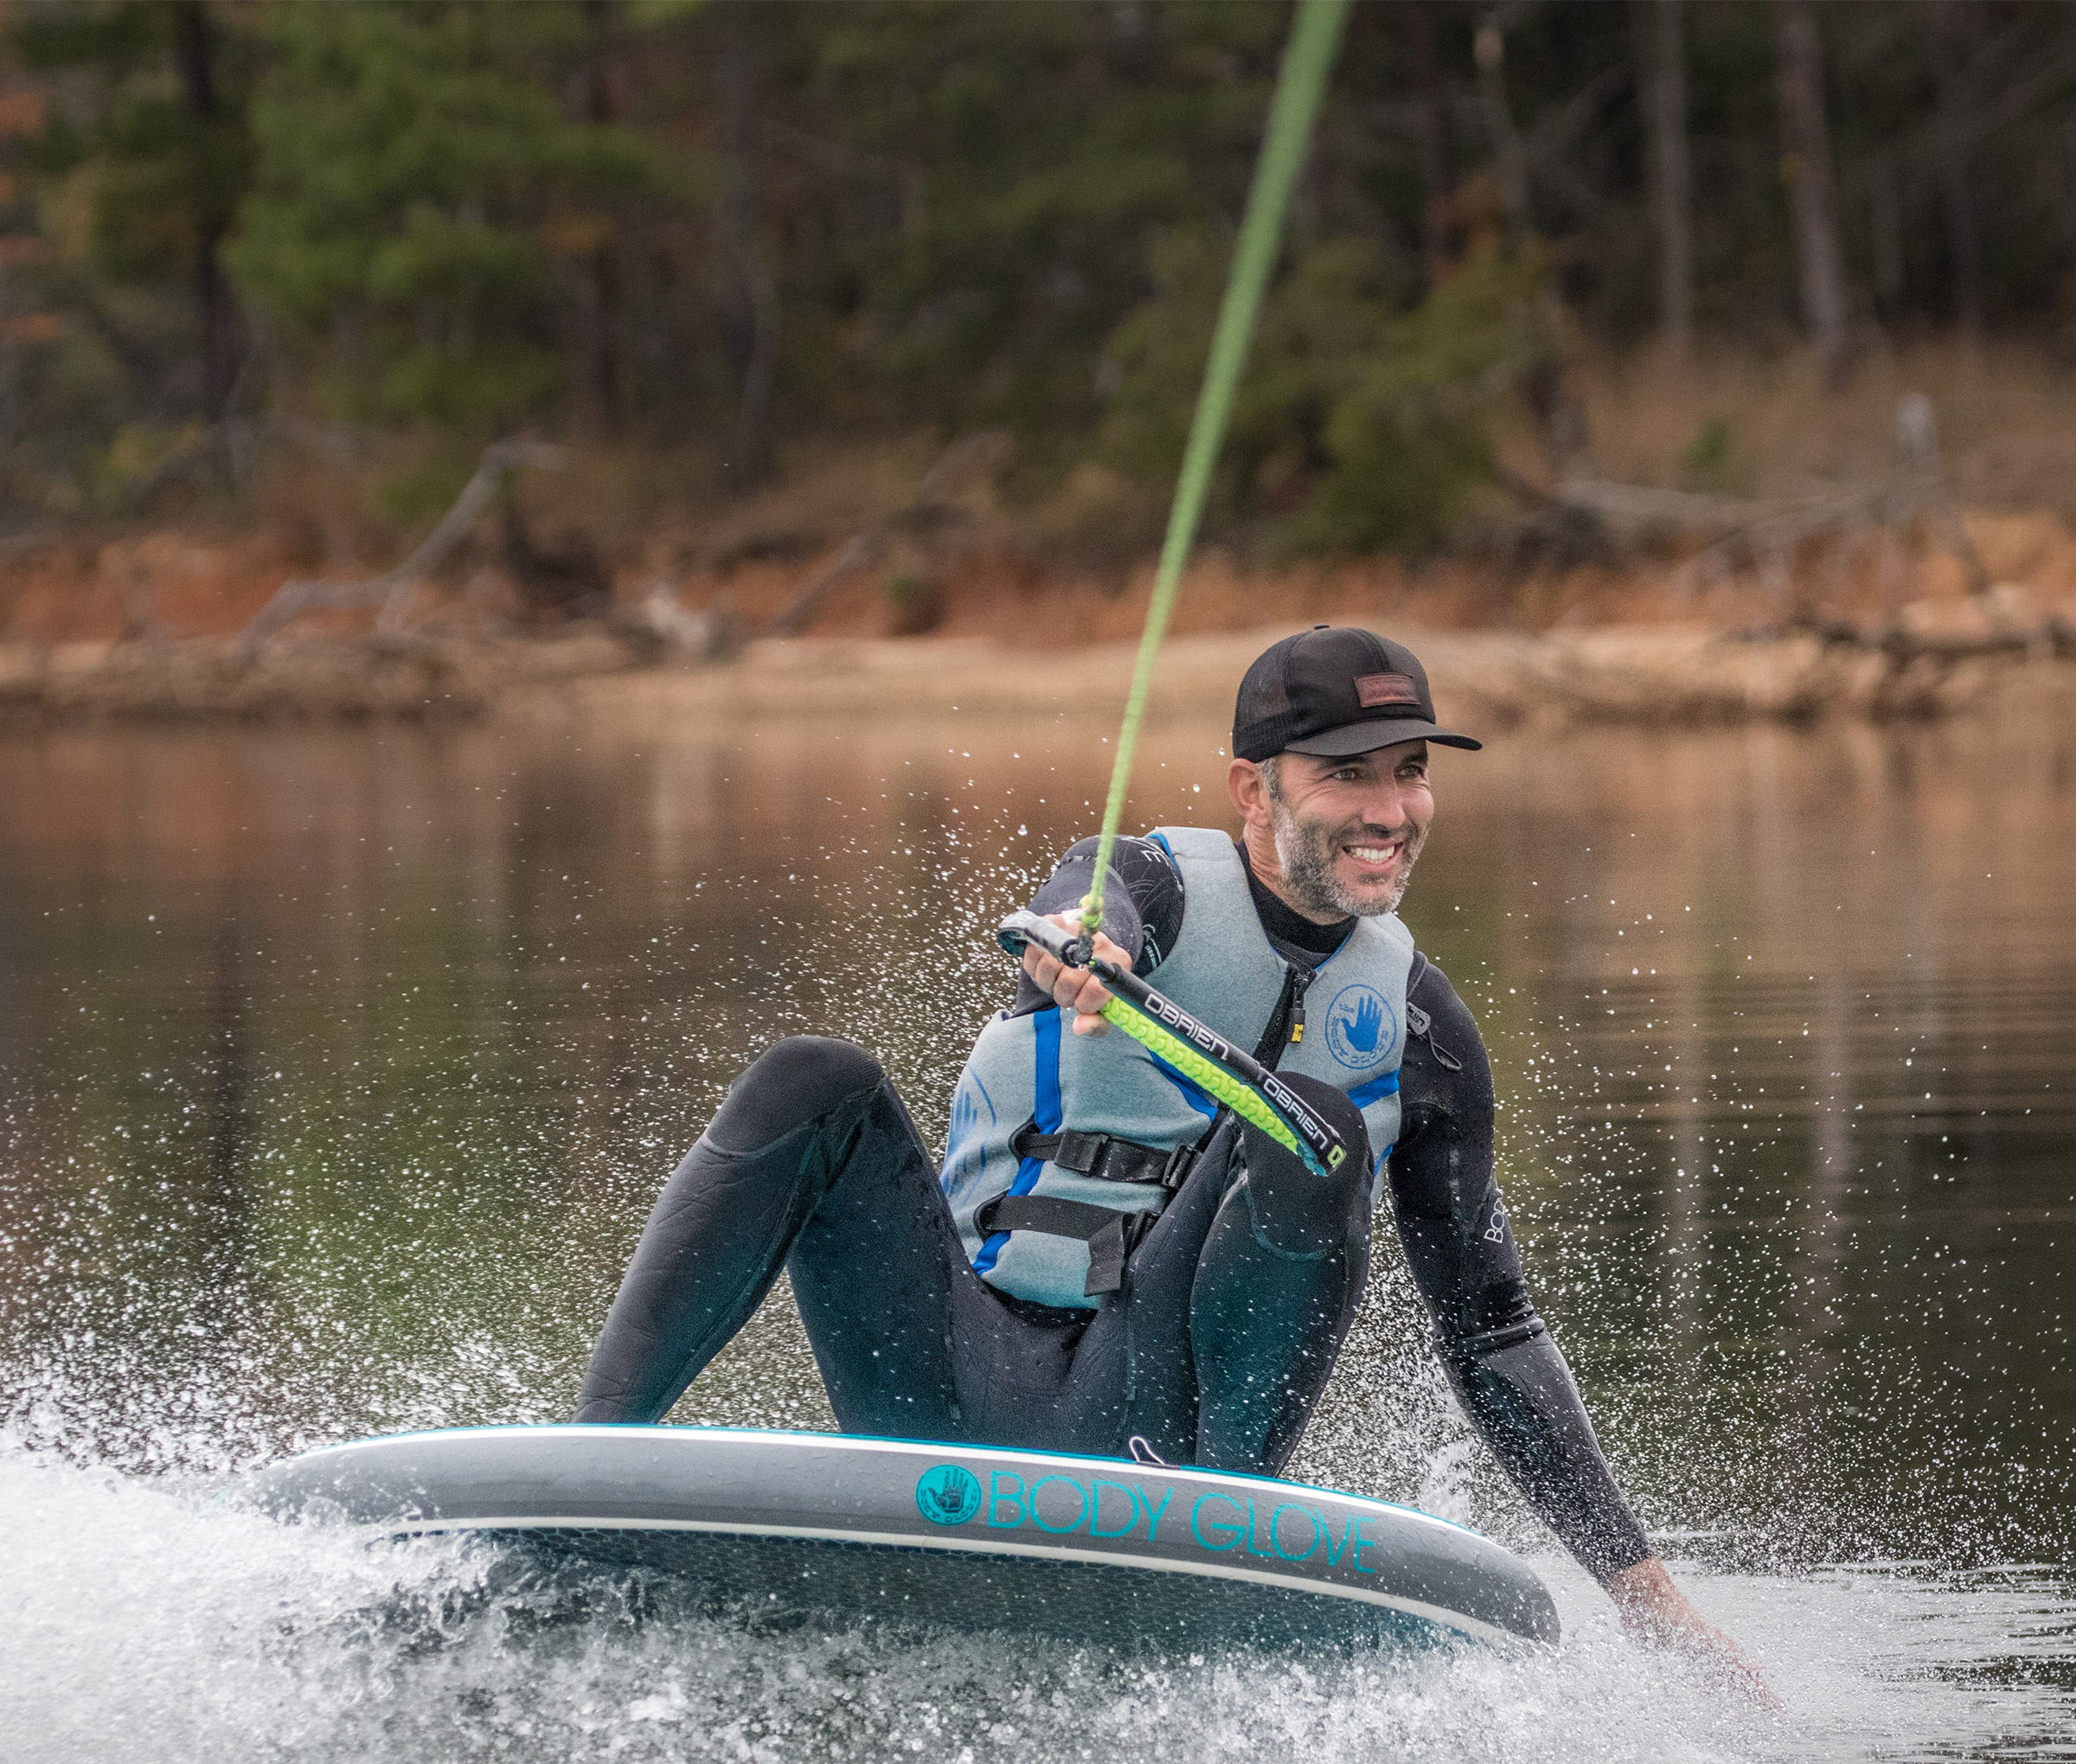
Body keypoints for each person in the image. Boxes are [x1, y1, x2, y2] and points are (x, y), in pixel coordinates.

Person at [579, 625, 1766, 1688]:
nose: (1389, 810)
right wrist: (1079, 953)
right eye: (1345, 773)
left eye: (1409, 773)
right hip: (946, 1373)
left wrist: (1642, 1593)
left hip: (1175, 1444)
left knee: (1315, 1126)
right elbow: (1085, 907)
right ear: (1253, 788)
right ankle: (587, 1479)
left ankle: (1219, 1528)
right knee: (813, 1077)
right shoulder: (1144, 883)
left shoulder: (1420, 1030)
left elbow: (1492, 1326)